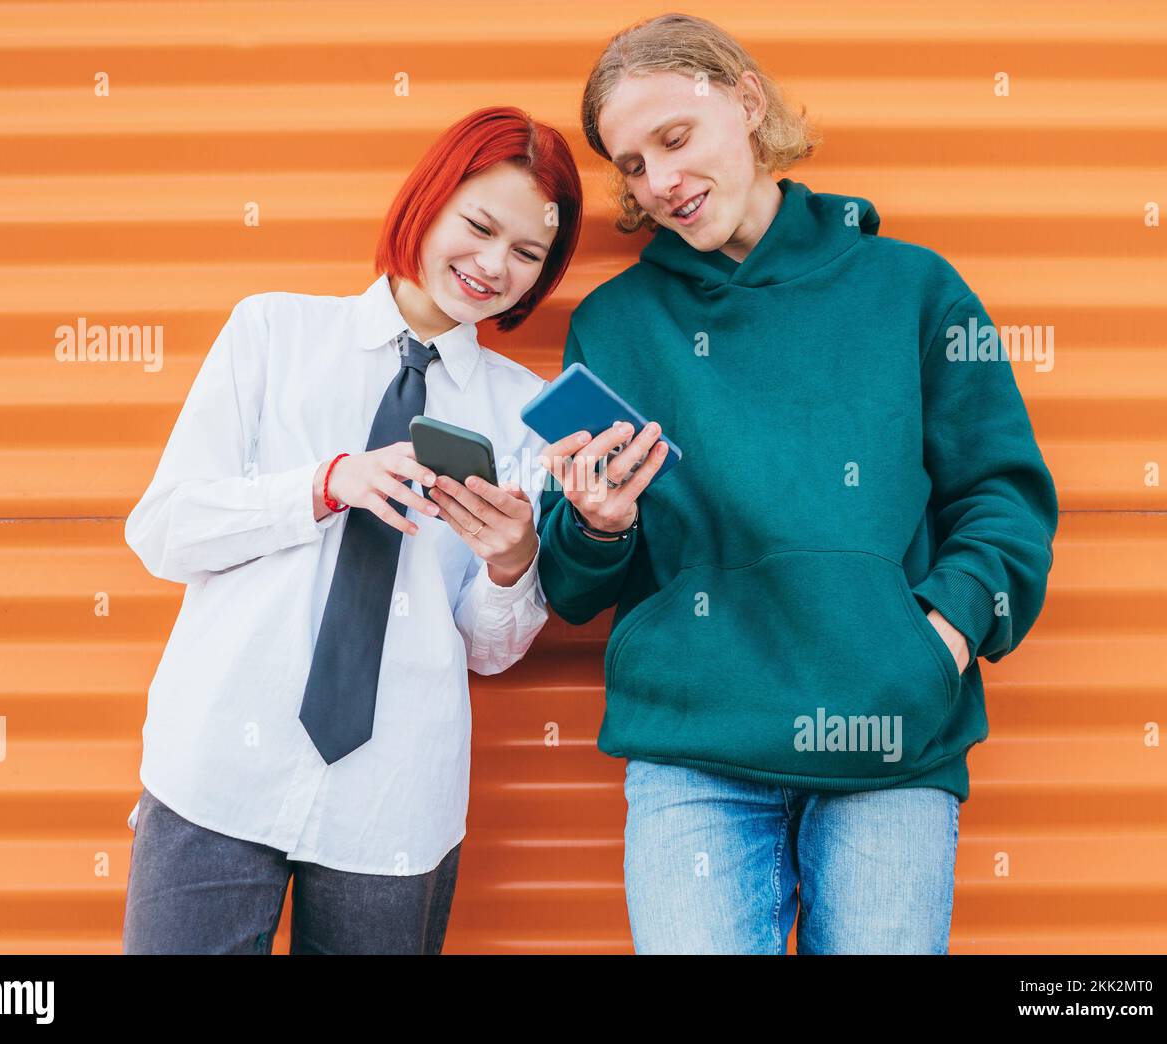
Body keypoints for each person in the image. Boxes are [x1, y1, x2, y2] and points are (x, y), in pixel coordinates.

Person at [535, 13, 1059, 954]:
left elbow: (1001, 495)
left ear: (745, 100)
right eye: (633, 164)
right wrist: (597, 527)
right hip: (692, 751)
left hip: (891, 734)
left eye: (675, 138)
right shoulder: (614, 325)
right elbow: (573, 588)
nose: (660, 183)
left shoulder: (911, 287)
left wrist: (935, 640)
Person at [121, 106, 582, 954]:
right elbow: (166, 529)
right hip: (219, 767)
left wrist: (516, 564)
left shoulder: (524, 412)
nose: (492, 267)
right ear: (429, 200)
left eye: (527, 254)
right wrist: (325, 484)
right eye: (478, 227)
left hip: (394, 800)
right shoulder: (274, 332)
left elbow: (488, 649)